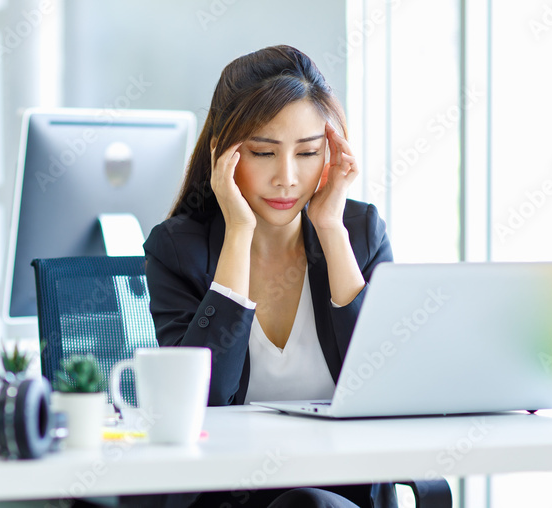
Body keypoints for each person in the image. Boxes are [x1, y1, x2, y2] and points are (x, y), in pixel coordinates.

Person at [142, 45, 395, 508]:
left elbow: (385, 385)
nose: (287, 178)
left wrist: (331, 230)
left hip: (346, 489)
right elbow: (206, 398)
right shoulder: (178, 248)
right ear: (224, 155)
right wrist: (239, 232)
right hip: (232, 493)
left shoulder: (357, 232)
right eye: (263, 152)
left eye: (307, 153)